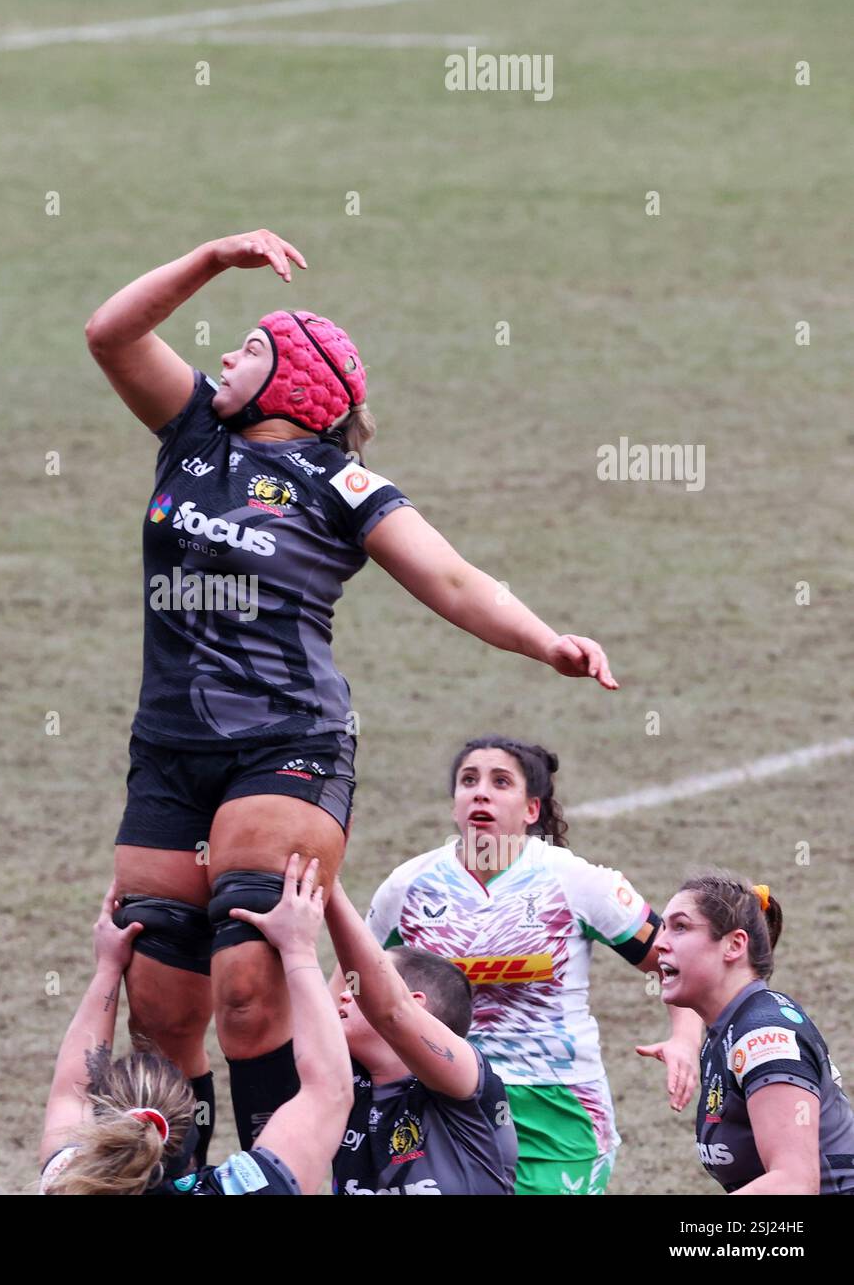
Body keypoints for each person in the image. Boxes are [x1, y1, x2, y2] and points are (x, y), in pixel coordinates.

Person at [86, 229, 620, 1155]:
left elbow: (454, 581)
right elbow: (109, 332)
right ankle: (169, 1181)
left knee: (250, 990)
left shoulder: (343, 482)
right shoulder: (190, 433)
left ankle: (276, 1176)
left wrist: (546, 641)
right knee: (160, 1004)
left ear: (295, 383)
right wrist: (213, 259)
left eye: (248, 347)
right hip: (168, 750)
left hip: (284, 745)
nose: (222, 353)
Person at [366, 735, 702, 1194]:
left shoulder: (576, 881)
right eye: (469, 781)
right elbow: (353, 985)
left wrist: (684, 1039)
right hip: (442, 1101)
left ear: (531, 809)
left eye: (500, 782)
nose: (480, 792)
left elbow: (673, 961)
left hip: (558, 1107)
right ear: (455, 805)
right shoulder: (407, 887)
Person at [39, 855, 352, 1195]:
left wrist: (107, 970)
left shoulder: (70, 1184)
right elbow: (329, 1088)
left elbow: (69, 1092)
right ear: (190, 1126)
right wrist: (299, 948)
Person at [656, 873, 854, 1194]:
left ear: (734, 945)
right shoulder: (727, 1033)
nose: (660, 943)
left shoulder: (765, 1037)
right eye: (663, 928)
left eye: (680, 927)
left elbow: (795, 1183)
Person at [325, 881, 516, 1195]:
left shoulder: (466, 1084)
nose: (344, 996)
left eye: (362, 989)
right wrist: (296, 948)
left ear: (416, 1004)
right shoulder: (345, 1083)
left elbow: (393, 1013)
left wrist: (329, 885)